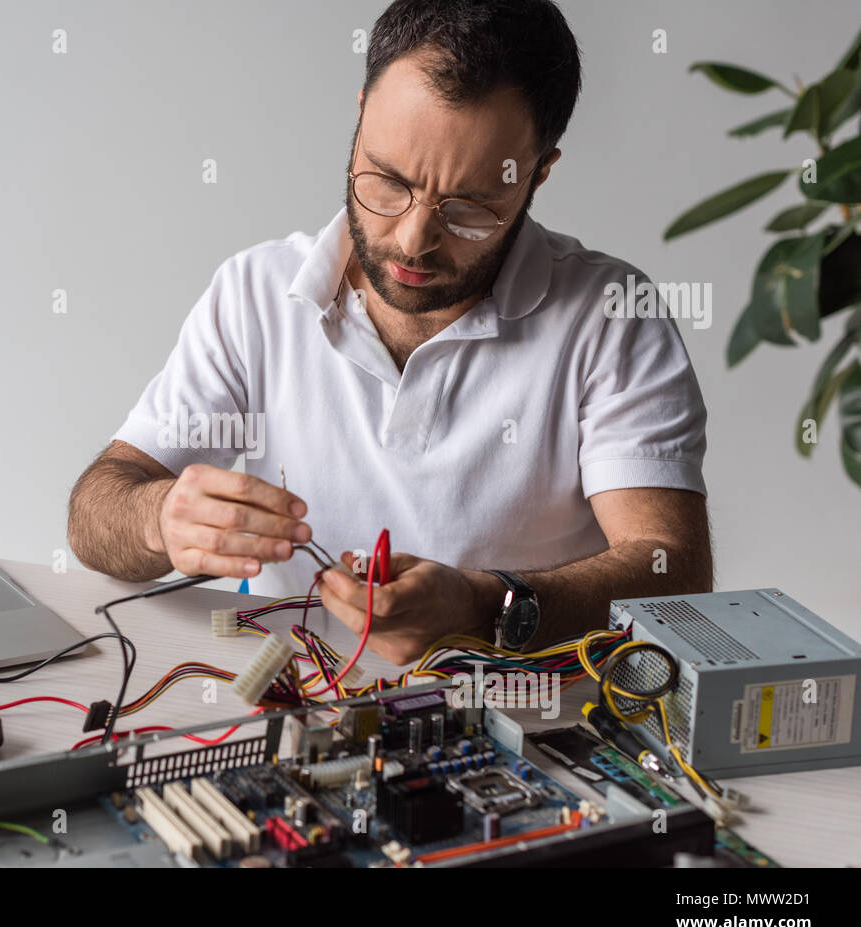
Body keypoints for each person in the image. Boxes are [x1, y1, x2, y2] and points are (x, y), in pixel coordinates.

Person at [68, 0, 712, 663]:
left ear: (538, 174)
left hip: (518, 726)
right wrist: (159, 517)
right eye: (387, 179)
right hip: (294, 710)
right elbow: (95, 515)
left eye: (468, 207)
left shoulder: (611, 316)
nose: (412, 238)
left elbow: (676, 573)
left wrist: (486, 606)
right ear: (359, 119)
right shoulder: (255, 295)